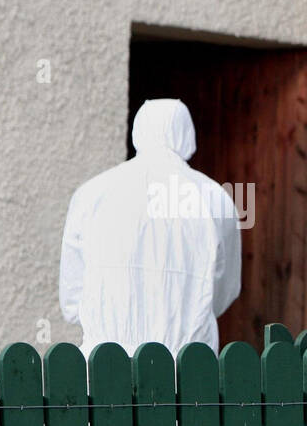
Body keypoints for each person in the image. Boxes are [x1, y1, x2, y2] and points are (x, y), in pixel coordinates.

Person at [59, 98, 241, 357]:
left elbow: (72, 296)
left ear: (138, 132)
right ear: (187, 135)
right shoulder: (213, 197)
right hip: (187, 365)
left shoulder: (92, 193)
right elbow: (224, 288)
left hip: (105, 364)